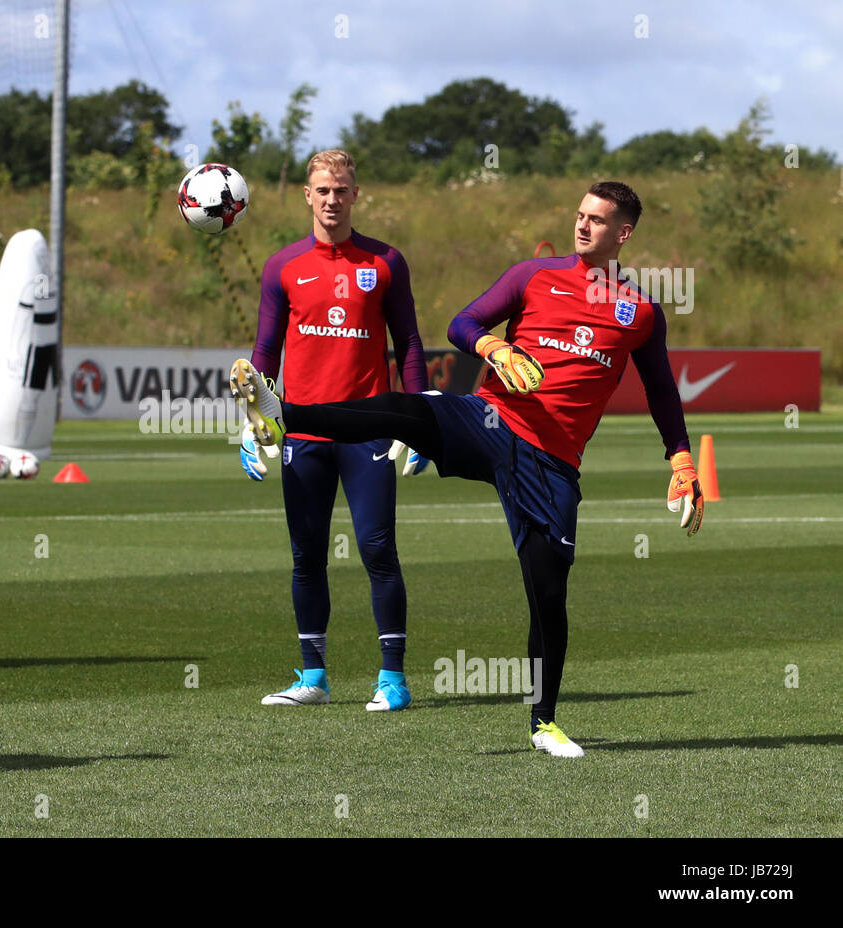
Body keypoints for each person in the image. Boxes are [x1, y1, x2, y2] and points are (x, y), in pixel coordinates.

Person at [233, 181, 703, 756]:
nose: (583, 227)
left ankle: (544, 723)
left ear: (623, 234)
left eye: (598, 221)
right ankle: (285, 414)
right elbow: (462, 323)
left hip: (552, 464)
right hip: (492, 422)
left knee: (548, 596)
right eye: (580, 215)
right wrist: (494, 349)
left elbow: (662, 391)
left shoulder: (642, 312)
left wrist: (680, 457)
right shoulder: (531, 275)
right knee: (408, 409)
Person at [239, 149, 427, 712]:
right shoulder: (283, 266)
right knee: (306, 555)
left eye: (341, 190)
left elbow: (409, 344)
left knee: (376, 549)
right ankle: (313, 677)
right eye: (322, 190)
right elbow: (266, 350)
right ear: (306, 194)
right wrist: (251, 422)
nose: (331, 199)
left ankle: (392, 679)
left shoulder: (386, 261)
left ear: (355, 193)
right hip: (303, 430)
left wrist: (416, 419)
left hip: (368, 428)